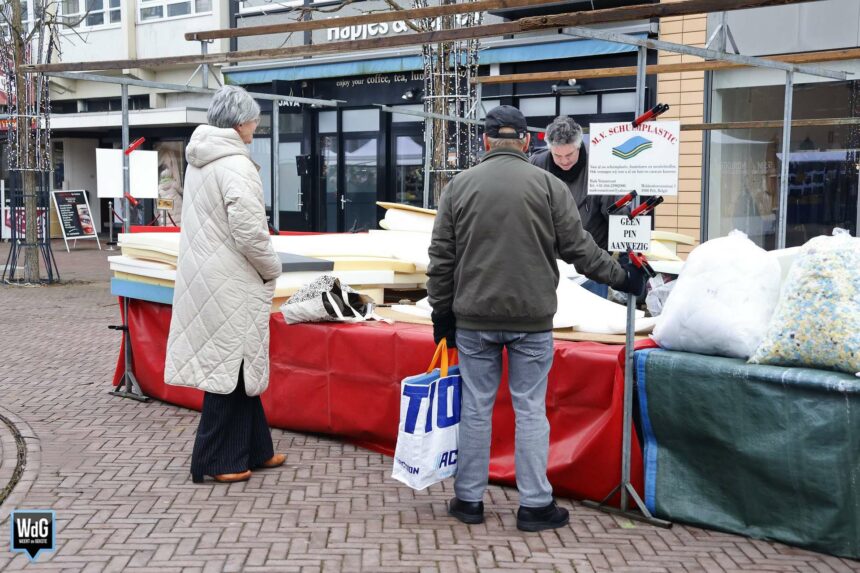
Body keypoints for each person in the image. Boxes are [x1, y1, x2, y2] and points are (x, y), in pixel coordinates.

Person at [426, 105, 647, 532]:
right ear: (529, 142)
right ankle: (534, 505)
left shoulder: (458, 188)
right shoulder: (548, 186)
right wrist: (625, 278)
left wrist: (441, 313)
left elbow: (441, 260)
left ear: (486, 142)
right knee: (530, 410)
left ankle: (468, 500)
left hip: (473, 319)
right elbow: (580, 250)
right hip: (532, 319)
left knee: (475, 408)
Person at [164, 85, 285, 484]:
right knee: (230, 369)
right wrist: (272, 268)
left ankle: (256, 448)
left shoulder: (201, 159)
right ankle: (216, 461)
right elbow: (250, 232)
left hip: (207, 275)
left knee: (237, 362)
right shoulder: (235, 164)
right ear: (239, 122)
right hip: (232, 278)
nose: (256, 124)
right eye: (253, 118)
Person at [529, 116, 625, 298]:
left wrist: (624, 255)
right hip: (548, 265)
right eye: (557, 155)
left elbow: (617, 212)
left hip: (591, 264)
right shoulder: (536, 165)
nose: (564, 161)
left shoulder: (599, 166)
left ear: (579, 146)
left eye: (570, 154)